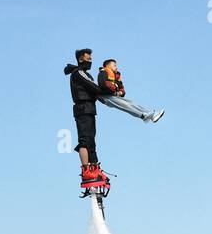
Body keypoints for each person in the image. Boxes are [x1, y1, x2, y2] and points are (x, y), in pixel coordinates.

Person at [64, 48, 104, 187]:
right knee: (85, 139)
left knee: (91, 140)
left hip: (89, 109)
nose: (90, 60)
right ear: (81, 59)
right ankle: (87, 170)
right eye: (88, 58)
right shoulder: (78, 73)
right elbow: (94, 87)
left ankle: (95, 169)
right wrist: (105, 89)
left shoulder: (85, 73)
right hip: (83, 108)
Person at [97, 59, 164, 123]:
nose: (116, 67)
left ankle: (151, 115)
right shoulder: (103, 73)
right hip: (105, 97)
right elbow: (104, 85)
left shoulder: (117, 77)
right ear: (108, 66)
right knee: (125, 105)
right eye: (114, 65)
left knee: (131, 103)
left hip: (113, 96)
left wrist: (118, 92)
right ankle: (143, 115)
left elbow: (122, 91)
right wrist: (115, 91)